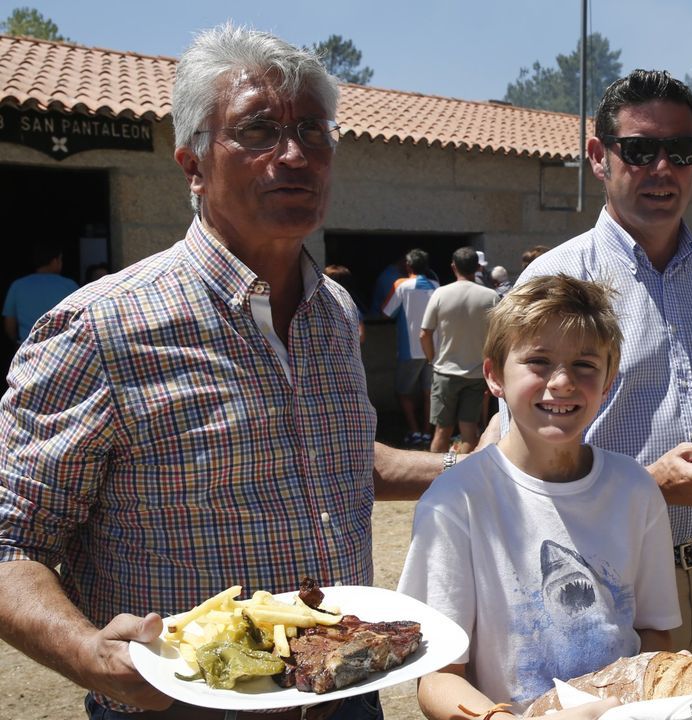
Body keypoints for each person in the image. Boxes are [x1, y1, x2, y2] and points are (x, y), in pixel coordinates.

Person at [0, 25, 460, 720]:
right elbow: (13, 542)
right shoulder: (100, 330)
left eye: (314, 130)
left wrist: (464, 468)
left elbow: (326, 460)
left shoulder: (333, 313)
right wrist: (91, 654)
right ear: (193, 165)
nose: (296, 154)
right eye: (258, 131)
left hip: (345, 692)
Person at [517, 69, 692, 671]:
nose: (663, 168)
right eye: (639, 150)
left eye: (681, 151)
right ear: (598, 156)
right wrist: (648, 485)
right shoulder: (553, 283)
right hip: (604, 580)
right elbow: (525, 464)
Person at [400, 275, 680, 717]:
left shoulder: (635, 489)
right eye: (538, 361)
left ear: (609, 379)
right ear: (494, 375)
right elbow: (437, 675)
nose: (563, 382)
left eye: (585, 364)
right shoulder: (455, 501)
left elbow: (656, 632)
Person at [422, 246, 500, 454]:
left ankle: (435, 472)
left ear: (453, 266)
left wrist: (431, 359)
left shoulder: (441, 294)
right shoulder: (491, 297)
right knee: (469, 431)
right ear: (478, 267)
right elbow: (499, 336)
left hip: (445, 372)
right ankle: (465, 471)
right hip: (476, 374)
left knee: (442, 431)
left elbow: (425, 333)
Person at [383, 248, 440, 447]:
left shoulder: (401, 285)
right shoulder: (437, 286)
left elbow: (387, 312)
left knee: (403, 391)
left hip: (410, 350)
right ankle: (427, 432)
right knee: (429, 393)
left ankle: (415, 431)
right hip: (433, 349)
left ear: (408, 265)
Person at [2, 245, 78, 344]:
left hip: (27, 346)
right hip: (60, 347)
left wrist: (17, 342)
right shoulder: (70, 285)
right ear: (54, 261)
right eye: (60, 260)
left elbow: (9, 324)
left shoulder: (17, 285)